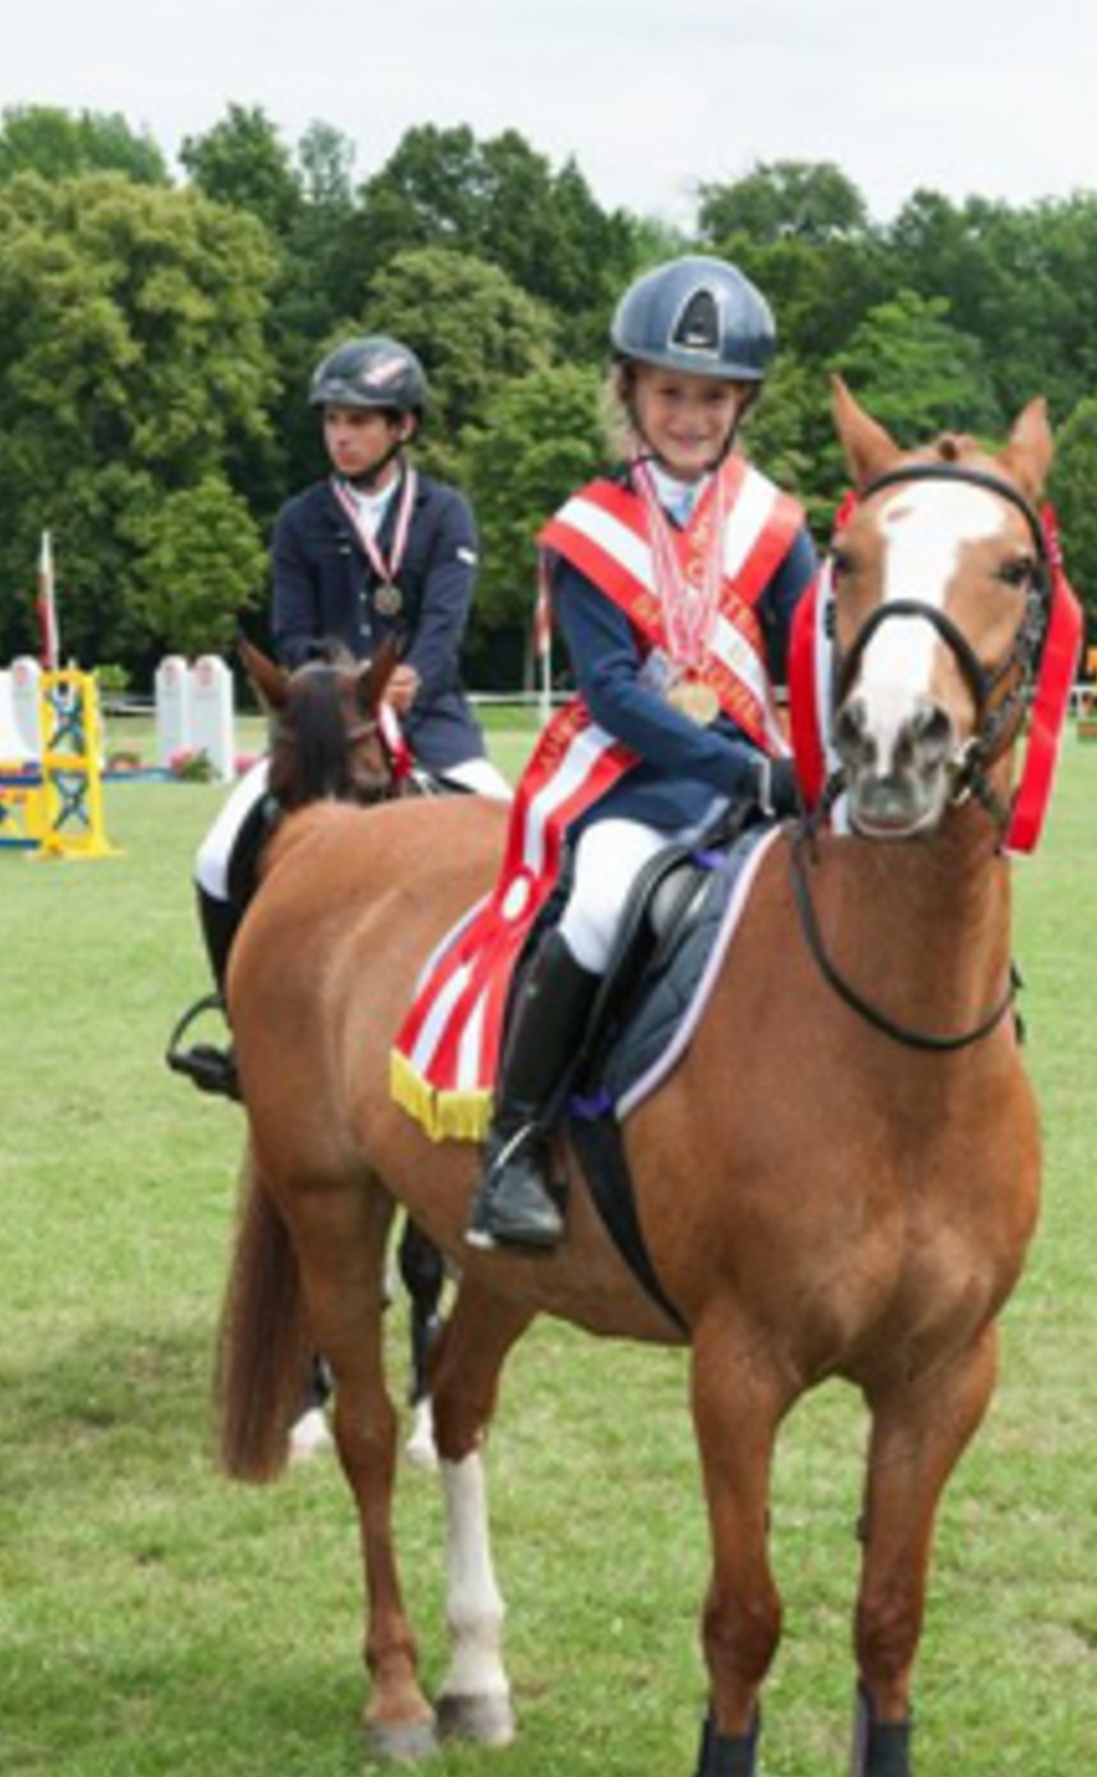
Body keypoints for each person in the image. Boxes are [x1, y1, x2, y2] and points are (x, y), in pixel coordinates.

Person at [460, 255, 817, 1252]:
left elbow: (808, 648)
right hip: (639, 783)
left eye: (711, 396)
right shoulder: (586, 532)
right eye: (669, 391)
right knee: (609, 893)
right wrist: (740, 767)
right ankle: (514, 1145)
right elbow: (612, 691)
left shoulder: (775, 526)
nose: (690, 415)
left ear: (740, 401)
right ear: (630, 391)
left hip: (762, 779)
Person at [173, 333, 509, 1100]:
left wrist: (409, 682)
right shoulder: (300, 519)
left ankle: (498, 1028)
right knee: (216, 855)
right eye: (332, 421)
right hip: (324, 731)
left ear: (403, 427)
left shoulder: (443, 514)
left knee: (518, 838)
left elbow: (445, 627)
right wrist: (343, 685)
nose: (342, 436)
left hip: (430, 722)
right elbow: (291, 634)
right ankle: (242, 1028)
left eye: (360, 421)